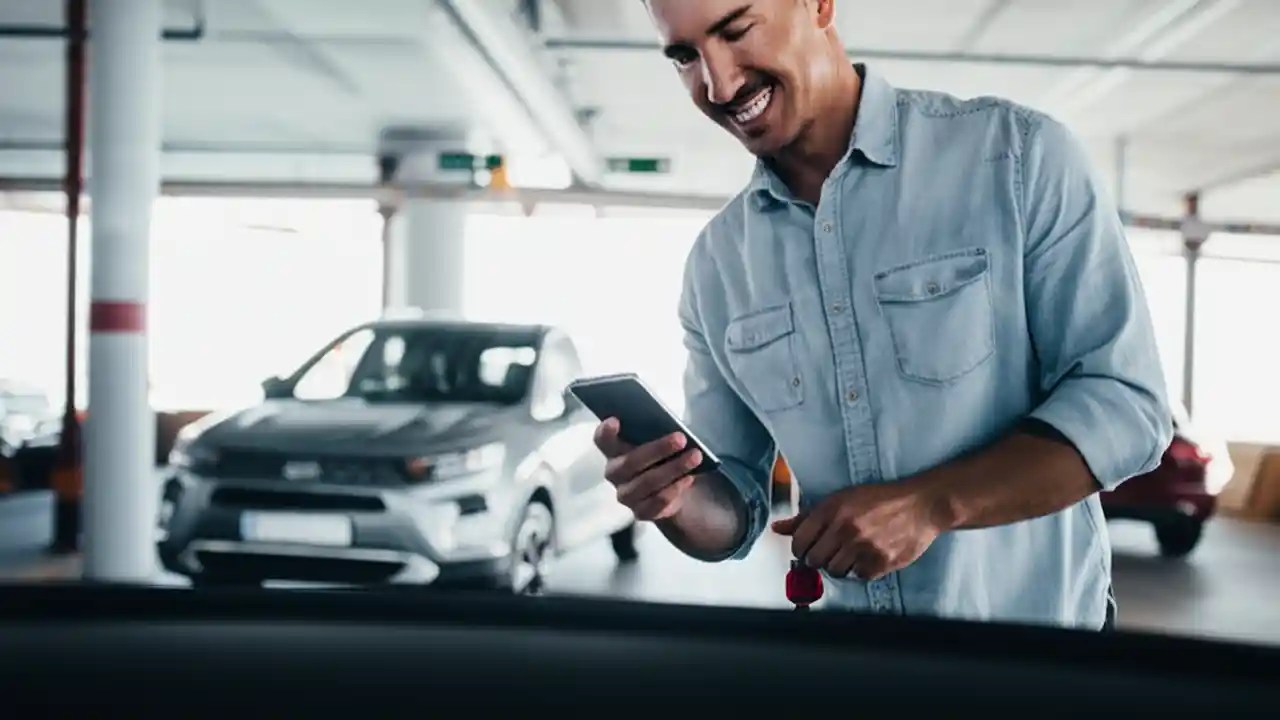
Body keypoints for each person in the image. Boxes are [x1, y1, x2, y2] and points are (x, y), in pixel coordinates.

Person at [593, 0, 1173, 632]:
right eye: (686, 56)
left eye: (736, 31)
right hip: (858, 674)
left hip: (1039, 671)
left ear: (819, 5)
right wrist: (674, 500)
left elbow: (1126, 405)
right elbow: (734, 511)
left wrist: (932, 505)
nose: (720, 84)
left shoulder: (1018, 159)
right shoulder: (716, 266)